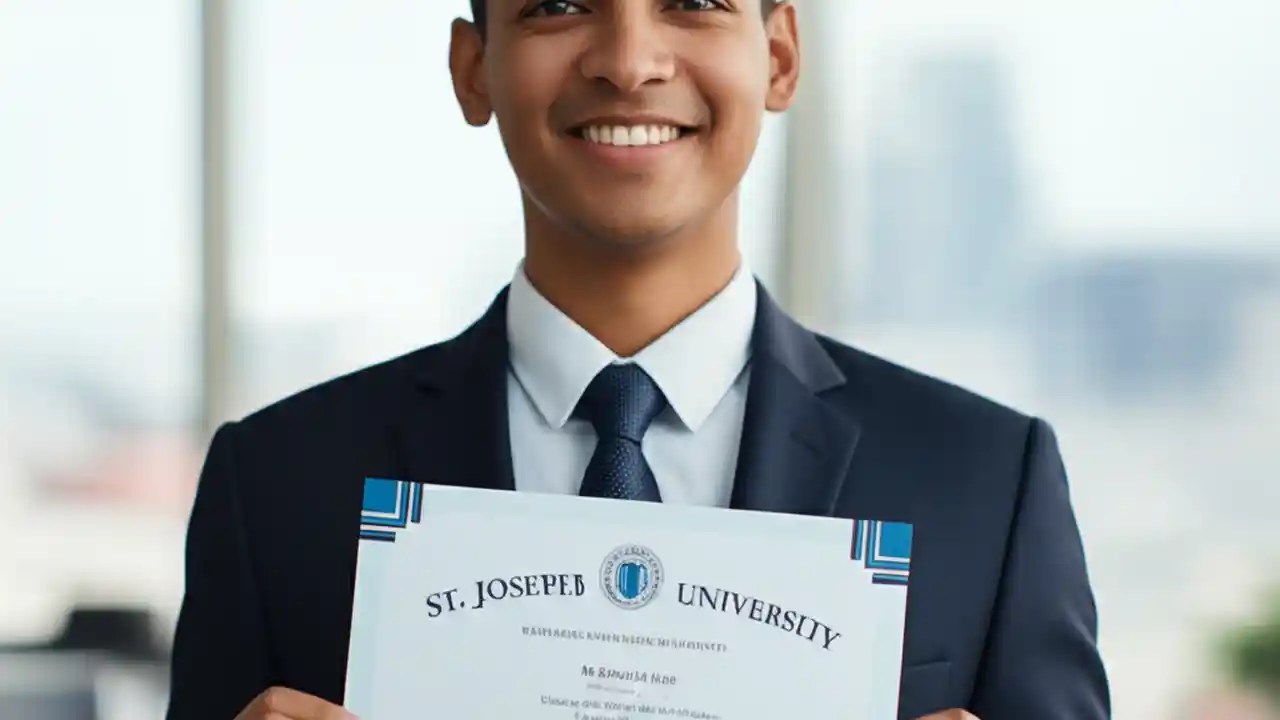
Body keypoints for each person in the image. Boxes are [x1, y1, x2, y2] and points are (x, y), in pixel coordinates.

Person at [166, 1, 1111, 719]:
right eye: (560, 2)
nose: (628, 63)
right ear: (473, 70)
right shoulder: (280, 484)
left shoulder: (987, 481)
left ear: (778, 56)